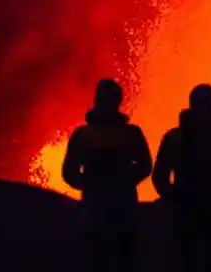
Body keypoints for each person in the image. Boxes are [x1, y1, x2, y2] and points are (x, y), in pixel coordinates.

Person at [62, 79, 153, 272]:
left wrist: (88, 185)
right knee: (113, 256)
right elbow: (144, 165)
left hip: (104, 208)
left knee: (104, 257)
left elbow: (70, 171)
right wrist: (125, 181)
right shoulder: (128, 134)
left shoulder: (86, 135)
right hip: (116, 207)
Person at [152, 84, 211, 272]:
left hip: (200, 212)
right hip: (202, 212)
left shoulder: (177, 138)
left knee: (199, 260)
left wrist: (172, 196)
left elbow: (160, 175)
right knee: (201, 260)